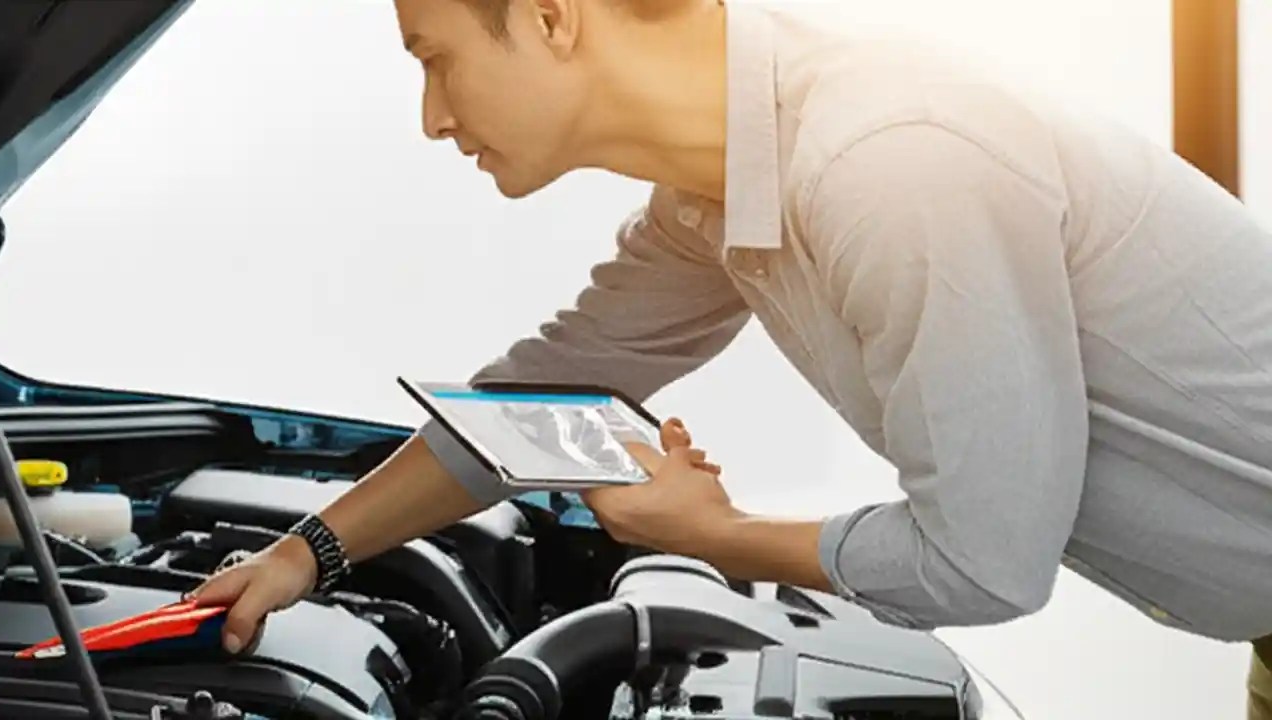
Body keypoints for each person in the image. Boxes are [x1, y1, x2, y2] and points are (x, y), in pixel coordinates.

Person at [190, 0, 1272, 713]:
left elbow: (985, 562)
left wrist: (715, 535)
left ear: (552, 15)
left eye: (434, 58)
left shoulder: (885, 164)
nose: (430, 116)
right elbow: (535, 397)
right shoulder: (720, 197)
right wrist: (302, 558)